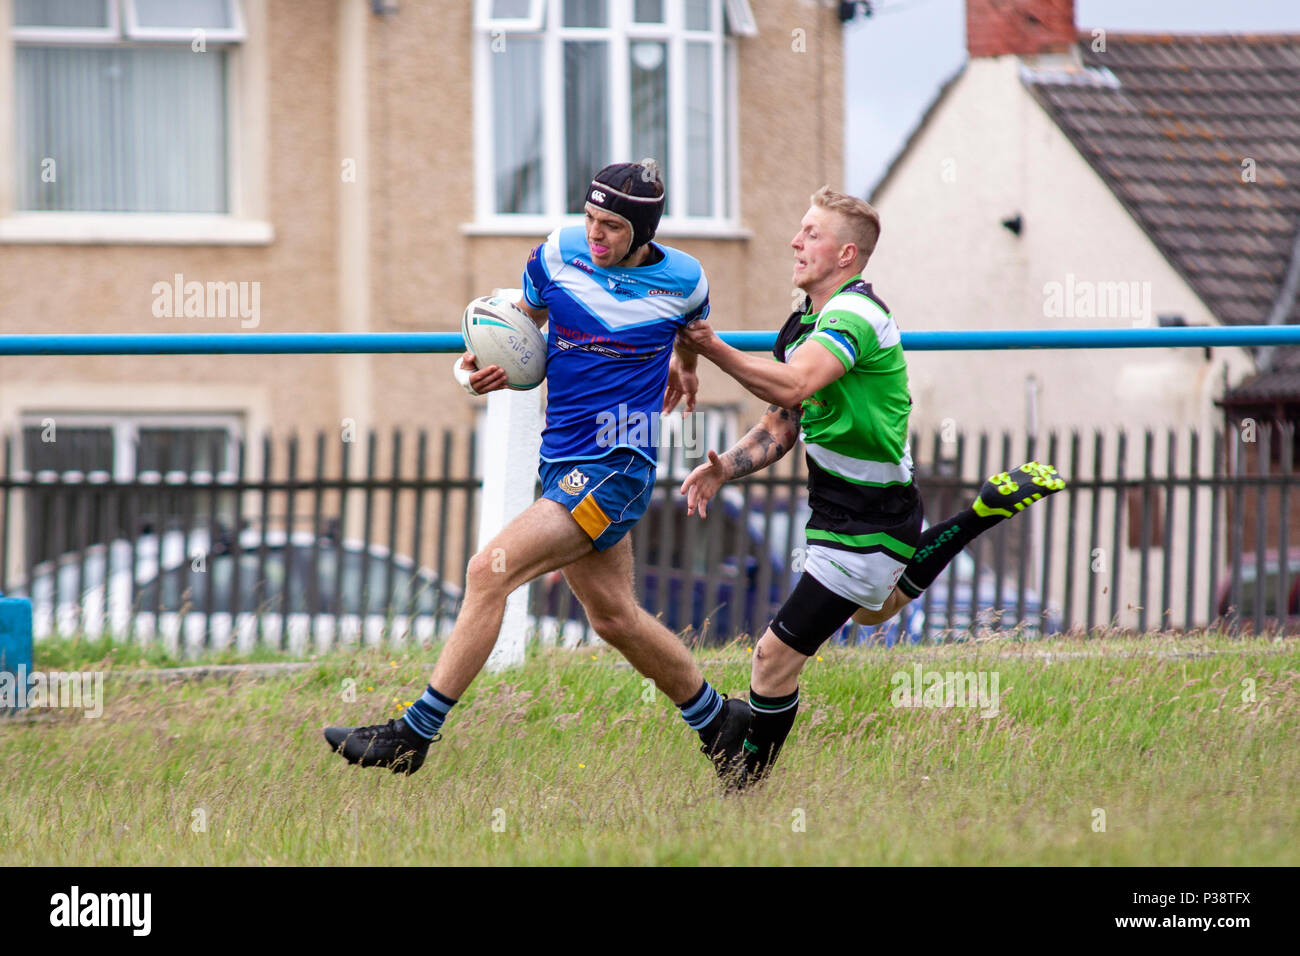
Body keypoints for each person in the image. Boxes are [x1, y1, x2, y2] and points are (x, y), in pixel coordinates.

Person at [323, 159, 750, 776]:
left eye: (611, 226)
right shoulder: (556, 256)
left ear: (644, 233)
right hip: (562, 458)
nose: (595, 234)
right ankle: (721, 726)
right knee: (614, 618)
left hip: (618, 462)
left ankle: (412, 736)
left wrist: (687, 364)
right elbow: (508, 332)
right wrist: (471, 375)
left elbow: (692, 328)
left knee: (487, 572)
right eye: (590, 219)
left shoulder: (685, 280)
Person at [673, 186, 1065, 788]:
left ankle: (743, 791)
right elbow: (783, 423)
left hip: (869, 522)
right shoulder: (802, 322)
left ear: (847, 254)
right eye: (800, 230)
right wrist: (725, 466)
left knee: (772, 659)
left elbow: (794, 385)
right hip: (849, 513)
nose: (795, 242)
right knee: (872, 613)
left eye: (812, 233)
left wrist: (712, 346)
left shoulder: (856, 315)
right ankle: (978, 515)